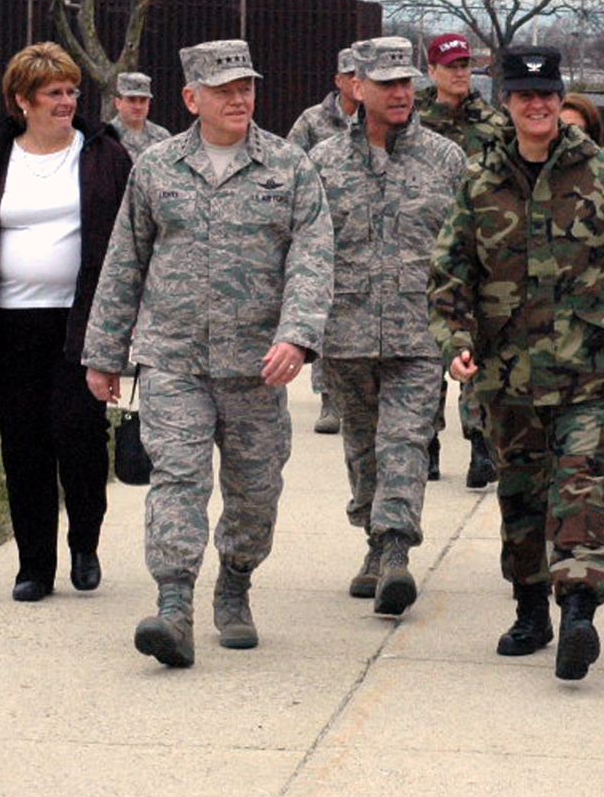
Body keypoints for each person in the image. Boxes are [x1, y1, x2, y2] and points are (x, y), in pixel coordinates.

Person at [82, 39, 332, 669]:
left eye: (245, 86)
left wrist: (297, 336)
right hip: (174, 360)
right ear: (192, 98)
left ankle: (236, 583)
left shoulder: (289, 167)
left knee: (254, 492)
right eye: (223, 90)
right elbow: (124, 263)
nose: (238, 98)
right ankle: (172, 606)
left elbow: (311, 259)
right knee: (178, 480)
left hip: (257, 366)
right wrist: (104, 353)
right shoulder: (157, 167)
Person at [431, 47, 604, 681]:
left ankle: (578, 615)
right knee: (522, 500)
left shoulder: (602, 176)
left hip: (589, 373)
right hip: (507, 376)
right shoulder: (479, 180)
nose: (536, 106)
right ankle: (530, 611)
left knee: (584, 491)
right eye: (522, 97)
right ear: (508, 102)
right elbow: (450, 272)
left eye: (546, 96)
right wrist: (454, 338)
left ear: (559, 98)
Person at [0, 47, 130, 599]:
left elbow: (135, 240)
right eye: (54, 93)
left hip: (80, 324)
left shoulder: (104, 154)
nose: (67, 102)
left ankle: (84, 542)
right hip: (9, 327)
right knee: (24, 445)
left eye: (72, 92)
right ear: (22, 100)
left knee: (81, 437)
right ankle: (35, 565)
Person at [308, 37, 464, 615]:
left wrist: (462, 328)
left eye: (407, 83)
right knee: (363, 450)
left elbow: (463, 251)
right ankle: (375, 544)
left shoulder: (445, 160)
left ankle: (397, 550)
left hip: (420, 335)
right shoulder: (323, 163)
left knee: (405, 442)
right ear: (357, 87)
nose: (401, 94)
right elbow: (305, 252)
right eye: (387, 84)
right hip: (344, 335)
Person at [417, 31, 511, 487]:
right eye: (450, 65)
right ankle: (427, 443)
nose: (459, 73)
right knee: (424, 347)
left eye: (465, 65)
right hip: (420, 247)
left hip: (476, 251)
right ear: (432, 69)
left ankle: (480, 445)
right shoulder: (412, 120)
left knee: (473, 344)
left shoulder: (494, 124)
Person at [284, 47, 360, 435]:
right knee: (328, 320)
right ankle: (330, 399)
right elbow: (289, 165)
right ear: (338, 81)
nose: (354, 82)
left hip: (362, 230)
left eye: (359, 74)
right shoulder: (313, 121)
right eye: (348, 75)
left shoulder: (377, 119)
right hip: (324, 228)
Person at [109, 72, 171, 158]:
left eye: (143, 100)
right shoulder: (108, 136)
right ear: (118, 103)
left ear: (149, 103)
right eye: (131, 100)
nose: (138, 107)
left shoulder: (161, 137)